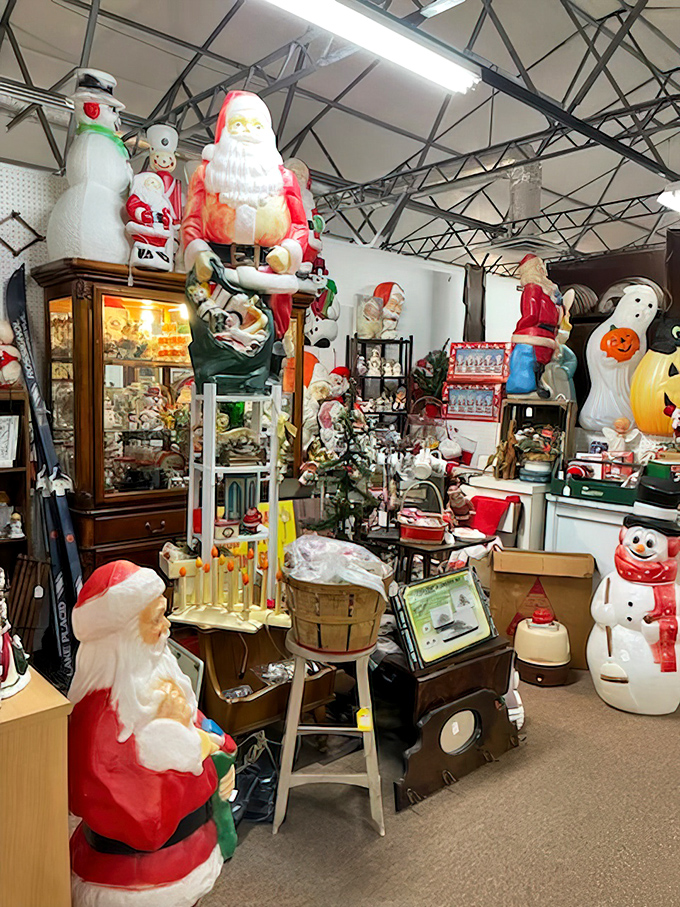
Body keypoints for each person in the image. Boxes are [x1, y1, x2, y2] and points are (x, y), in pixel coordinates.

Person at [68, 560, 237, 907]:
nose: (167, 627)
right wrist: (200, 762)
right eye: (156, 619)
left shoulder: (156, 673)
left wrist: (223, 752)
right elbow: (138, 817)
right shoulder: (101, 718)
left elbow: (195, 720)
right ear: (126, 634)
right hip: (135, 877)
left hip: (192, 849)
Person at [182, 90, 309, 339]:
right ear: (225, 129)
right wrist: (199, 251)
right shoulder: (206, 175)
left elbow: (299, 226)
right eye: (238, 124)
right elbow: (192, 221)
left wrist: (289, 250)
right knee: (217, 343)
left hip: (269, 280)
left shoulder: (284, 179)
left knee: (267, 346)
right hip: (219, 276)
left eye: (257, 125)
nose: (248, 131)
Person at [506, 253, 564, 397]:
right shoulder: (549, 293)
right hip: (547, 335)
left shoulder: (532, 288)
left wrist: (518, 329)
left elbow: (530, 314)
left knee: (525, 360)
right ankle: (539, 386)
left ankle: (527, 388)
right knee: (541, 365)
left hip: (533, 334)